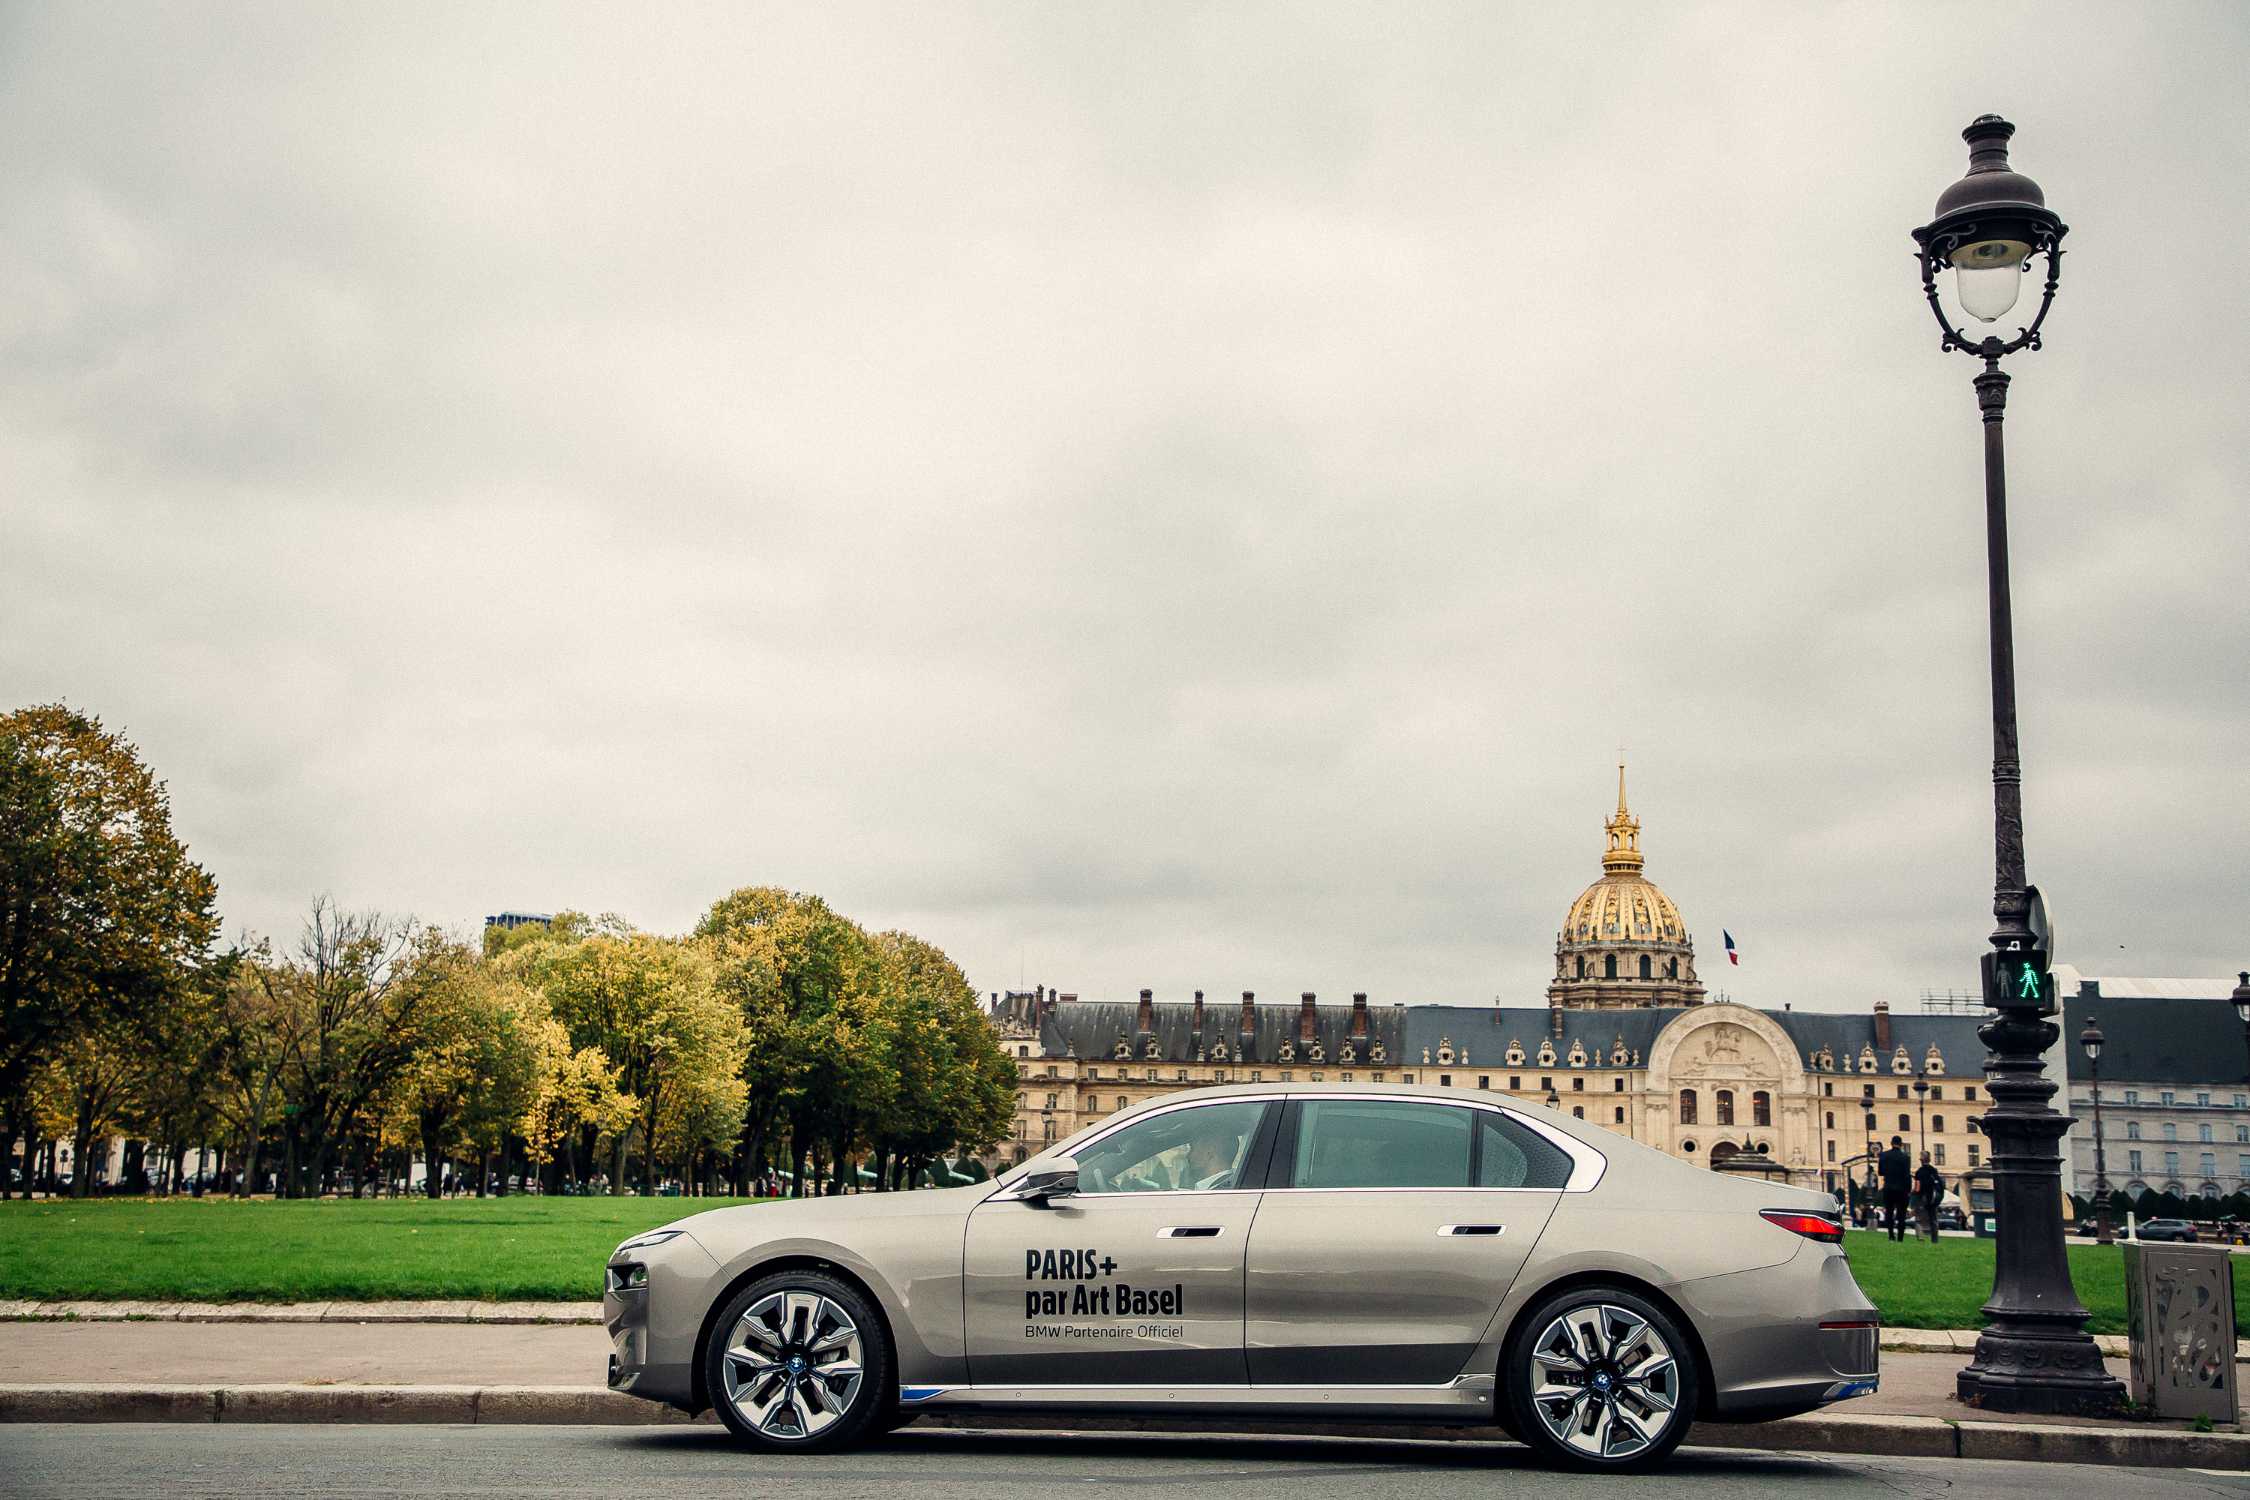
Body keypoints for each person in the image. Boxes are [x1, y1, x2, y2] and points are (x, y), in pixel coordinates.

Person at [1878, 1135, 1913, 1243]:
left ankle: (1891, 1236)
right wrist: (1908, 1190)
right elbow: (1907, 1175)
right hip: (1902, 1189)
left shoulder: (1884, 1155)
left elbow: (1880, 1172)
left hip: (1888, 1187)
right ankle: (1900, 1238)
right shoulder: (1905, 1157)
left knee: (1889, 1212)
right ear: (1901, 1144)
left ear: (1891, 1143)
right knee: (1901, 1214)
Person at [1915, 1152, 1945, 1242]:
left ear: (1921, 1160)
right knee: (1933, 1219)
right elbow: (1940, 1185)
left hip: (1922, 1197)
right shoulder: (1934, 1170)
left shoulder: (1919, 1172)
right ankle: (1934, 1239)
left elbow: (1917, 1187)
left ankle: (1920, 1237)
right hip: (1932, 1198)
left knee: (1919, 1219)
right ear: (1930, 1159)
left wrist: (1914, 1195)